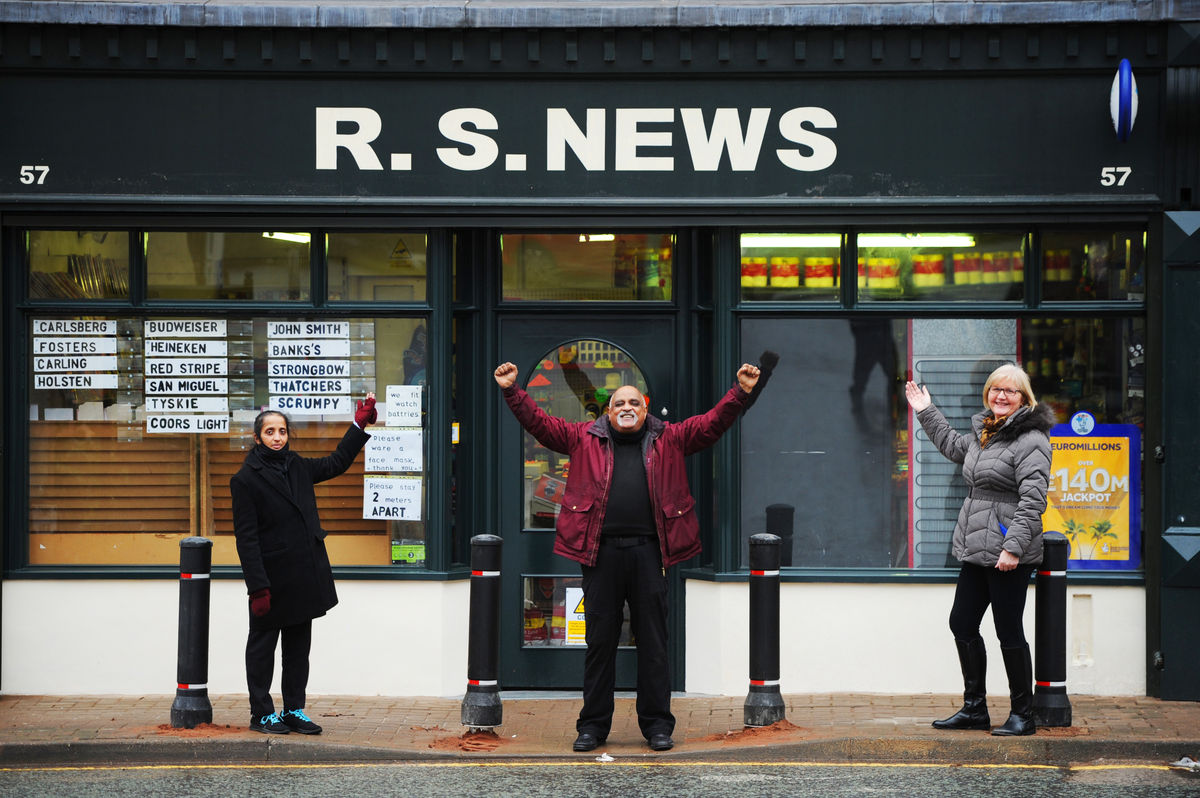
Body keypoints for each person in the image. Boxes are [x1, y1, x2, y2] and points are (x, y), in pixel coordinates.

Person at [494, 360, 761, 753]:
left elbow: (711, 424)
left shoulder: (669, 437)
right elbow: (539, 424)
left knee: (654, 643)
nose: (627, 407)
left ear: (645, 407)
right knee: (599, 643)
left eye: (634, 402)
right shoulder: (582, 437)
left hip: (650, 553)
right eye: (619, 402)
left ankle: (656, 726)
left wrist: (740, 392)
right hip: (600, 554)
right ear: (608, 410)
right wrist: (511, 391)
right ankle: (593, 727)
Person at [905, 364, 1054, 737]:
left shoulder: (1031, 438)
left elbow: (1033, 501)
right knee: (962, 622)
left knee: (1009, 631)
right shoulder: (986, 431)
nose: (1001, 396)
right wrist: (926, 410)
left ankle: (1023, 714)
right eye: (995, 390)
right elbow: (954, 446)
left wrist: (1014, 548)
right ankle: (975, 709)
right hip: (976, 547)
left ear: (1024, 398)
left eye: (1010, 391)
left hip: (1007, 551)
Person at [230, 393, 377, 735]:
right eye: (270, 432)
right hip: (270, 581)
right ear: (257, 437)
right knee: (262, 650)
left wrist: (359, 423)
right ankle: (261, 714)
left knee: (298, 652)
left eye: (282, 431)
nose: (277, 437)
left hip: (302, 577)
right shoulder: (245, 479)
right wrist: (258, 588)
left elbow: (337, 462)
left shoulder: (296, 466)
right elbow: (246, 540)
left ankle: (294, 709)